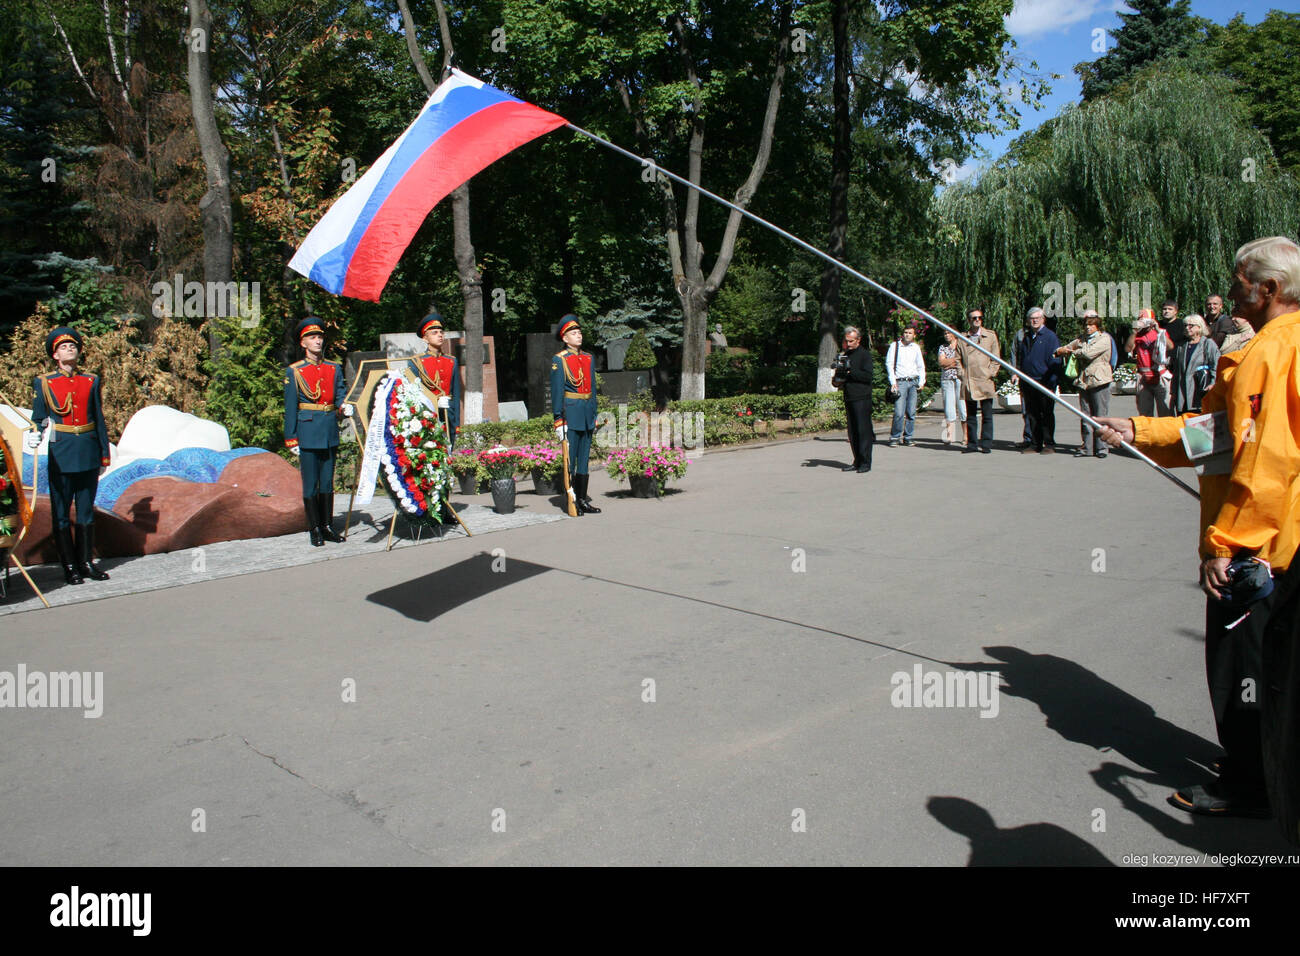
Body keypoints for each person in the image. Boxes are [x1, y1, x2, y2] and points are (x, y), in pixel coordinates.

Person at [1097, 236, 1300, 821]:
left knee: (1242, 670)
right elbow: (1221, 435)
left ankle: (1250, 785)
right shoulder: (1270, 348)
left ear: (1270, 289)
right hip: (1281, 543)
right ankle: (1258, 768)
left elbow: (1267, 461)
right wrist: (1142, 432)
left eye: (1241, 280)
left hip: (1262, 551)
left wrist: (1231, 545)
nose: (1231, 290)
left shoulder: (1269, 353)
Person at [30, 326, 110, 585]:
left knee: (86, 511)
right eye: (64, 347)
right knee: (62, 513)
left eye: (73, 346)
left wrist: (103, 455)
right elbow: (39, 418)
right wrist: (35, 433)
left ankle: (86, 563)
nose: (70, 349)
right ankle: (70, 566)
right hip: (62, 452)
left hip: (87, 451)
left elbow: (98, 419)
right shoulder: (44, 383)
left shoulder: (90, 381)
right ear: (55, 355)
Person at [284, 317, 347, 547]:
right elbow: (290, 407)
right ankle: (314, 528)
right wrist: (291, 438)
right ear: (303, 344)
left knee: (327, 482)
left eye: (320, 337)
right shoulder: (295, 372)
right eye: (312, 337)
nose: (318, 341)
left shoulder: (334, 368)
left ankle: (328, 525)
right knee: (310, 484)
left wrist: (343, 406)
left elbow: (340, 393)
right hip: (308, 432)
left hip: (329, 430)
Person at [551, 315, 601, 514]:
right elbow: (557, 392)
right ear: (565, 338)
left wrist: (594, 414)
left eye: (579, 332)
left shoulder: (588, 358)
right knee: (570, 460)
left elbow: (593, 389)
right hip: (570, 416)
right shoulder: (559, 360)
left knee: (584, 459)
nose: (578, 336)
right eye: (573, 333)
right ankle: (571, 501)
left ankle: (582, 500)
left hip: (587, 414)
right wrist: (558, 421)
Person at [1054, 310, 1113, 458]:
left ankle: (1102, 448)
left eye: (1091, 325)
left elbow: (1088, 353)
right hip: (1084, 381)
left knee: (1100, 416)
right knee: (1085, 416)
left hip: (1100, 380)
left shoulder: (1104, 338)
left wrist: (1072, 351)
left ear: (1097, 326)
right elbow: (1063, 348)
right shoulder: (1081, 339)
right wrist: (1062, 350)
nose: (1088, 328)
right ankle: (1087, 447)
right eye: (1086, 325)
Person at [407, 312, 461, 452]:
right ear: (425, 338)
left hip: (448, 416)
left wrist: (456, 422)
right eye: (434, 332)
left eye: (441, 332)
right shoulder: (416, 362)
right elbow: (414, 394)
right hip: (428, 416)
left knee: (449, 453)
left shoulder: (451, 361)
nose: (440, 335)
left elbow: (455, 392)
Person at [1013, 307, 1062, 453]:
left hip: (1044, 382)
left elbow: (1056, 361)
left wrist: (1052, 383)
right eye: (1032, 318)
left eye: (1038, 318)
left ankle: (1049, 444)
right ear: (1028, 320)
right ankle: (1035, 443)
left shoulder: (1050, 337)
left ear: (1043, 319)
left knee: (1046, 414)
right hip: (1029, 382)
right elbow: (1022, 359)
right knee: (1032, 414)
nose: (1034, 321)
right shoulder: (1027, 337)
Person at [954, 308, 1000, 454]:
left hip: (985, 380)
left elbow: (996, 358)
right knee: (971, 415)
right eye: (974, 318)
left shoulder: (990, 336)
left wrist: (990, 373)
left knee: (987, 415)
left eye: (979, 317)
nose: (977, 320)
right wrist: (962, 374)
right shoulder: (962, 338)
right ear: (969, 320)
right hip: (969, 381)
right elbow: (957, 359)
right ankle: (972, 444)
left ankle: (986, 444)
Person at [832, 326, 873, 472]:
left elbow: (868, 376)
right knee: (853, 432)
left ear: (858, 340)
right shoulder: (845, 355)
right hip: (849, 397)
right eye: (846, 341)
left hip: (862, 397)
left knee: (863, 431)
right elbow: (839, 376)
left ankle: (865, 463)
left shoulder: (864, 355)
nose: (848, 344)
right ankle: (857, 460)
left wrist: (850, 371)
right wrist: (837, 379)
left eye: (851, 341)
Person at [1168, 314, 1221, 415]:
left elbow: (1216, 365)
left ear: (1199, 327)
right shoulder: (1182, 346)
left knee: (1198, 425)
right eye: (1185, 325)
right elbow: (1177, 371)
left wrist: (1213, 383)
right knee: (1184, 425)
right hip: (1182, 394)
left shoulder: (1208, 344)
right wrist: (1173, 392)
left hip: (1200, 391)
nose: (1187, 328)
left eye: (1191, 325)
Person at [1126, 309, 1173, 417]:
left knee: (1165, 411)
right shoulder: (1137, 335)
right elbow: (1128, 349)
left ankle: (1165, 433)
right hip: (1143, 376)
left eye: (1145, 320)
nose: (1142, 323)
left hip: (1159, 374)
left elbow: (1170, 346)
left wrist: (1158, 331)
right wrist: (1134, 332)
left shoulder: (1160, 332)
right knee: (1144, 413)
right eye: (1140, 320)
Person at [885, 323, 925, 447]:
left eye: (910, 333)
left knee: (911, 412)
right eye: (906, 332)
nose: (907, 335)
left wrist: (922, 381)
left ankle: (908, 437)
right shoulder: (895, 346)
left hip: (913, 382)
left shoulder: (916, 347)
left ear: (914, 335)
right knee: (899, 412)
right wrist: (893, 382)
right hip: (900, 382)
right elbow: (889, 364)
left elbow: (920, 365)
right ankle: (895, 437)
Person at [936, 330, 967, 445]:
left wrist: (949, 363)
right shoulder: (943, 347)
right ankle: (950, 435)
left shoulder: (961, 345)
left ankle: (966, 436)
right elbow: (941, 362)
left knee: (962, 406)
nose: (947, 335)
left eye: (949, 333)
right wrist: (955, 361)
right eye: (945, 333)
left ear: (954, 334)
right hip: (947, 379)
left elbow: (965, 361)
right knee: (949, 407)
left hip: (960, 378)